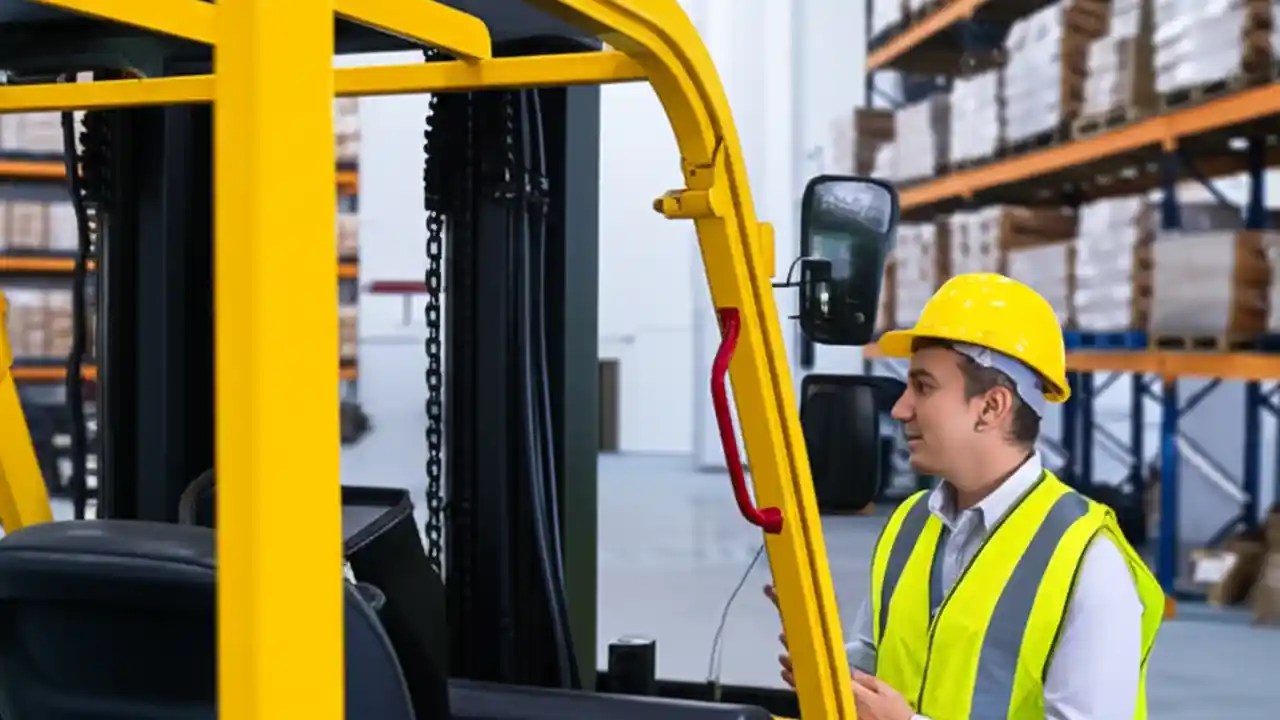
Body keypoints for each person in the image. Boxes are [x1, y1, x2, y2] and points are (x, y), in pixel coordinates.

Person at [766, 272, 1165, 720]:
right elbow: (887, 665)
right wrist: (826, 666)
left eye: (923, 387)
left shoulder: (1087, 561)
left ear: (992, 407)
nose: (900, 409)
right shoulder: (911, 523)